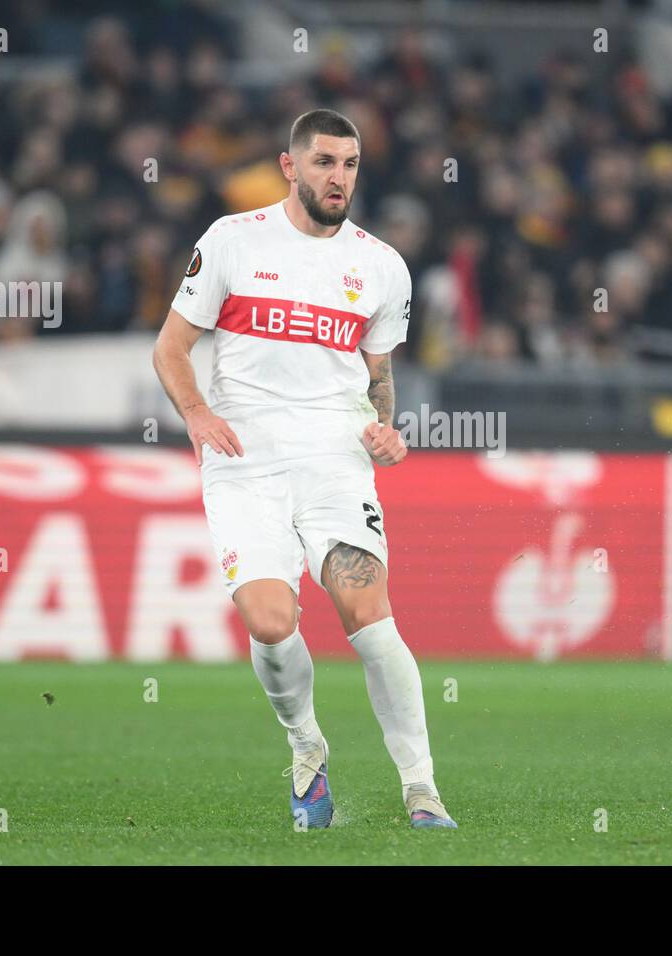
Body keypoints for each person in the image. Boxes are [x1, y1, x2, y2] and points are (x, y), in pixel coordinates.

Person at [152, 108, 456, 829]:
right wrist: (197, 414)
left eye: (349, 164)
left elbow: (377, 371)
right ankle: (307, 745)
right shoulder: (231, 241)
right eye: (324, 162)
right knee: (268, 620)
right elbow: (171, 348)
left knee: (369, 616)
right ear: (290, 166)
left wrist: (385, 427)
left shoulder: (381, 265)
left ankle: (421, 787)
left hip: (335, 461)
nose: (338, 177)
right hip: (244, 460)